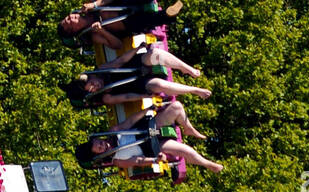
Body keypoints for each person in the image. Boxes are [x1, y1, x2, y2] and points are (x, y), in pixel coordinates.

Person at [64, 44, 210, 107]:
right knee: (159, 85)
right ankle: (194, 90)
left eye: (92, 84)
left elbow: (121, 60)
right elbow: (127, 97)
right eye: (92, 90)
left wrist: (137, 49)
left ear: (92, 77)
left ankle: (187, 69)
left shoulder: (102, 69)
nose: (95, 87)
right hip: (137, 85)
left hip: (133, 67)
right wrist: (146, 97)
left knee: (155, 54)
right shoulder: (106, 97)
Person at [75, 112, 223, 174]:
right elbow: (137, 161)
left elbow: (131, 121)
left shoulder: (114, 131)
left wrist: (146, 110)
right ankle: (208, 164)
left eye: (100, 143)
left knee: (176, 107)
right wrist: (154, 160)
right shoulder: (118, 160)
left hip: (147, 129)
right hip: (150, 146)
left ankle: (189, 128)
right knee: (184, 150)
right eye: (100, 148)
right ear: (100, 155)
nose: (103, 145)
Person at [57, 0, 183, 49]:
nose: (70, 16)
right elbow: (118, 45)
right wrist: (102, 31)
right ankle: (168, 14)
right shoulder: (93, 35)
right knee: (144, 21)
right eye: (69, 21)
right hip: (128, 24)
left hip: (124, 3)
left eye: (68, 17)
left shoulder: (87, 10)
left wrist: (94, 5)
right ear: (74, 29)